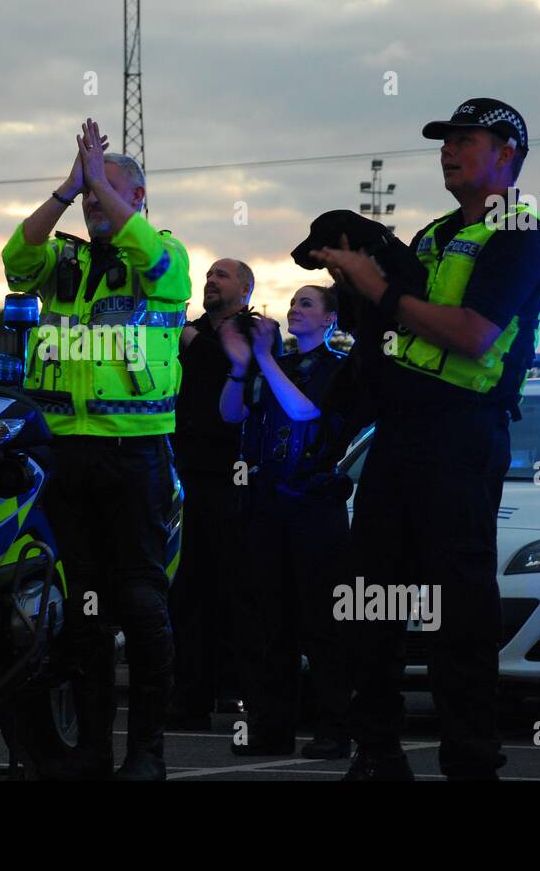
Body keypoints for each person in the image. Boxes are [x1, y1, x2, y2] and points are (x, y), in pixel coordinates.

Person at [311, 98, 540, 780]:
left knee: (459, 611)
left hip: (462, 438)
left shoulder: (522, 234)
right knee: (373, 601)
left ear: (507, 154)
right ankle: (378, 754)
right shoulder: (432, 234)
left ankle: (472, 764)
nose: (449, 152)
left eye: (465, 140)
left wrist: (377, 291)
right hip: (401, 437)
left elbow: (475, 334)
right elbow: (395, 337)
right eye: (444, 142)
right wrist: (357, 297)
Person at [2, 118, 189, 780]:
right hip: (66, 455)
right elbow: (16, 260)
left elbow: (151, 255)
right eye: (88, 196)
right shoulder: (67, 262)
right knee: (82, 609)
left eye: (107, 193)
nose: (92, 204)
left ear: (139, 200)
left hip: (135, 455)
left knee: (141, 606)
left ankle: (148, 752)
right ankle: (92, 749)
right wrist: (65, 187)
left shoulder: (164, 256)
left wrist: (98, 180)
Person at [217, 286, 354, 759]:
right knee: (268, 623)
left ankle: (335, 727)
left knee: (322, 622)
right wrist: (240, 365)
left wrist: (264, 358)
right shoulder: (277, 366)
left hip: (315, 507)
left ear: (330, 319)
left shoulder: (339, 369)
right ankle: (272, 725)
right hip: (267, 505)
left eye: (307, 304)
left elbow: (303, 410)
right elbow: (230, 414)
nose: (295, 310)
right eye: (292, 304)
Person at [168, 258, 254, 729]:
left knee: (233, 588)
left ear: (245, 287)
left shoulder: (253, 332)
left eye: (222, 276)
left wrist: (181, 333)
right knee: (186, 589)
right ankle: (189, 696)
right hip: (184, 472)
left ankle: (235, 688)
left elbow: (224, 364)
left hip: (232, 477)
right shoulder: (191, 331)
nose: (210, 281)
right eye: (208, 276)